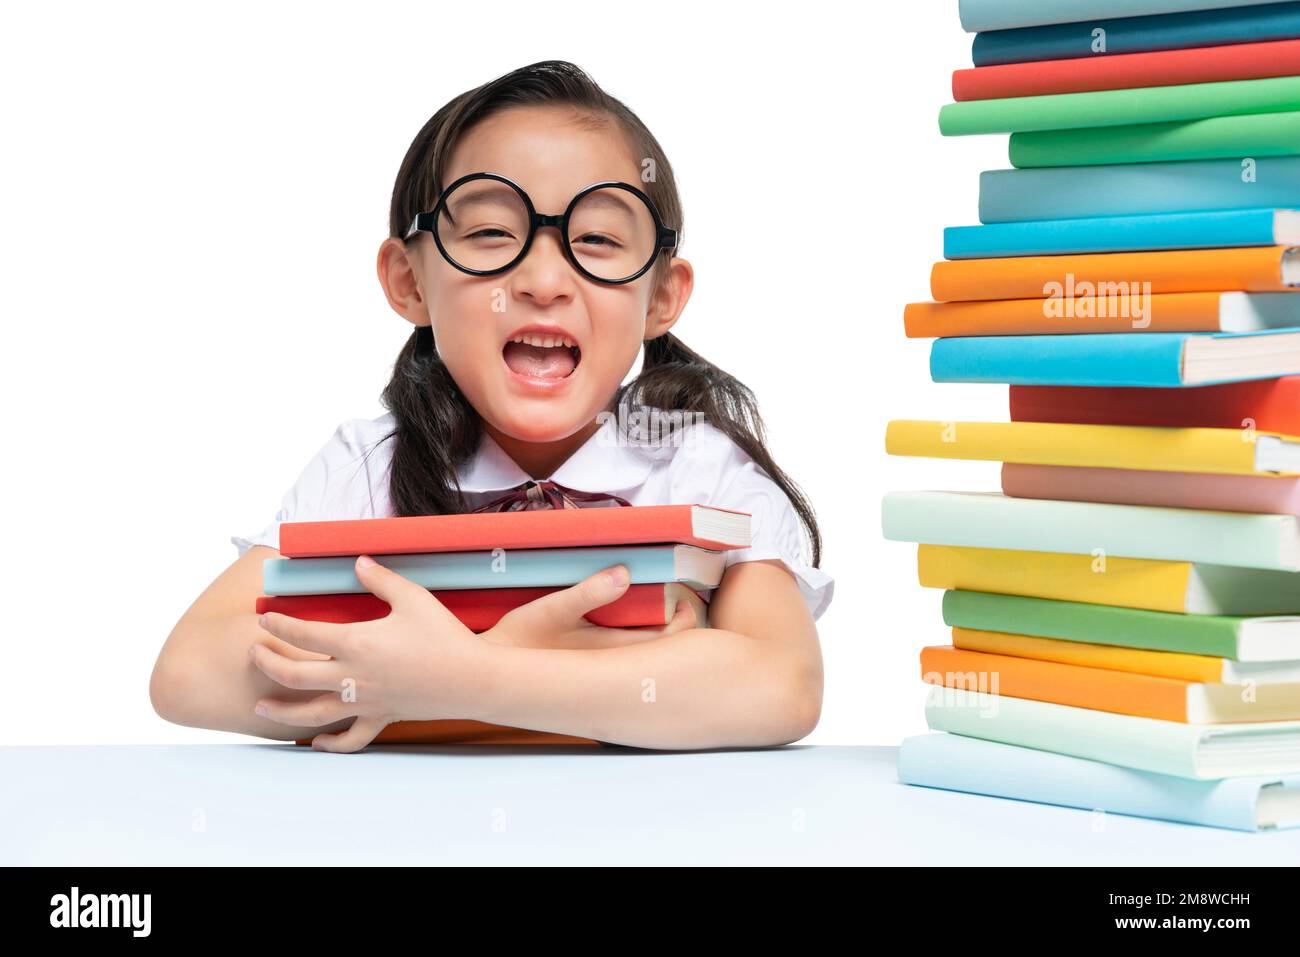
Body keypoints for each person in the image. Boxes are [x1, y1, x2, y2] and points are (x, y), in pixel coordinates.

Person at [150, 59, 833, 753]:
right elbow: (190, 670)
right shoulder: (368, 465)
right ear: (409, 281)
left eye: (597, 239)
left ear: (661, 296)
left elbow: (781, 683)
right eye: (489, 234)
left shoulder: (700, 466)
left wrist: (456, 679)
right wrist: (576, 673)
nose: (542, 280)